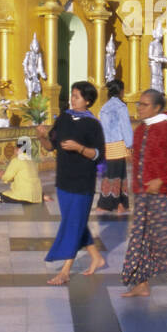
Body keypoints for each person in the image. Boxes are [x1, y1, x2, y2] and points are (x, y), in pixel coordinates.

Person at [121, 89, 167, 297]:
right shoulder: (141, 130)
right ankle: (140, 283)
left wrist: (162, 180)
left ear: (157, 108)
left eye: (144, 105)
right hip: (141, 192)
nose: (139, 108)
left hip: (162, 192)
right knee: (139, 238)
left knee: (165, 235)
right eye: (138, 104)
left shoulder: (165, 129)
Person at [36, 81, 107, 285]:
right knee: (74, 221)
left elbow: (99, 155)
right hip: (64, 179)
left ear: (87, 101)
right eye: (72, 95)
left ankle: (65, 271)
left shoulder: (93, 125)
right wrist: (41, 137)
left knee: (72, 223)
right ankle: (97, 257)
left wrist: (79, 148)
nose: (72, 99)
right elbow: (51, 146)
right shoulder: (64, 118)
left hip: (83, 180)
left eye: (77, 96)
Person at [96, 79, 133, 215]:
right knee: (119, 175)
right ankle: (115, 204)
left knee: (109, 175)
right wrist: (130, 144)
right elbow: (125, 127)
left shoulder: (104, 108)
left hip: (107, 146)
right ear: (121, 91)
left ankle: (110, 203)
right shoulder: (121, 107)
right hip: (118, 145)